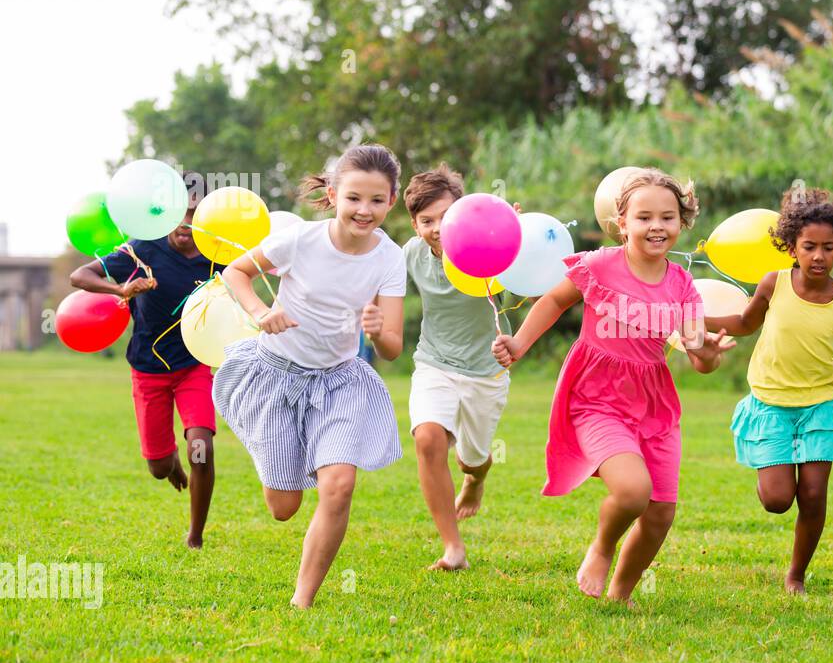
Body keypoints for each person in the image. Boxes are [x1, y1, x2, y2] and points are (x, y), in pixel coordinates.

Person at [492, 168, 733, 604]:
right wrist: (520, 342)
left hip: (654, 404)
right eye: (644, 218)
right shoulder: (601, 263)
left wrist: (710, 353)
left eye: (667, 217)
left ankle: (620, 595)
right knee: (633, 491)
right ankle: (601, 548)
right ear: (622, 223)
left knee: (660, 513)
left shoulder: (682, 286)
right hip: (596, 398)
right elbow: (555, 300)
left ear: (682, 223)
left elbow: (698, 357)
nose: (656, 226)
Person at [214, 144, 407, 609]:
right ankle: (271, 447)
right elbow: (235, 273)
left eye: (377, 201)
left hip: (339, 380)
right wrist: (262, 311)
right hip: (276, 375)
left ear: (392, 201)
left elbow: (394, 348)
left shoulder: (390, 258)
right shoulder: (299, 240)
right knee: (284, 508)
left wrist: (379, 332)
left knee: (339, 485)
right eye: (355, 198)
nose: (365, 210)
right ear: (335, 193)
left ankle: (303, 599)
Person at [706, 187, 833, 593]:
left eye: (828, 248)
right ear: (792, 248)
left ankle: (796, 575)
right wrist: (699, 316)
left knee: (815, 494)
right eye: (809, 247)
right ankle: (770, 472)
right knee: (777, 501)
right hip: (770, 405)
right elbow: (746, 323)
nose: (818, 256)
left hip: (818, 407)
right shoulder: (774, 284)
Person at [69, 172, 219, 548]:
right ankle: (170, 461)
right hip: (148, 372)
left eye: (196, 213)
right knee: (158, 467)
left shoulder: (219, 257)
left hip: (194, 367)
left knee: (201, 448)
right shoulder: (143, 249)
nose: (187, 222)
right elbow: (80, 275)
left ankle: (195, 537)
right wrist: (120, 288)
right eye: (181, 212)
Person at [404, 164, 514, 571]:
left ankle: (475, 479)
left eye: (447, 217)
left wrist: (511, 235)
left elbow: (536, 279)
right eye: (427, 220)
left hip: (487, 371)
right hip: (434, 362)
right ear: (414, 225)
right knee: (428, 439)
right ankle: (454, 548)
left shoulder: (488, 247)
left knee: (472, 459)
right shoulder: (411, 255)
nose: (437, 228)